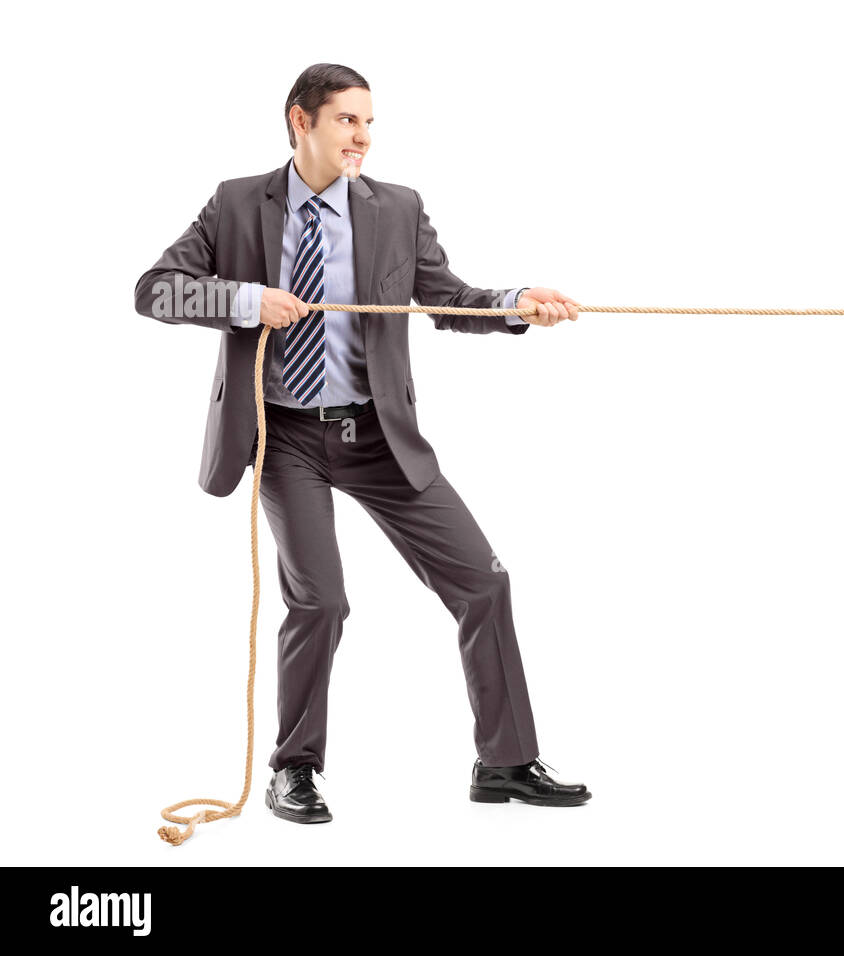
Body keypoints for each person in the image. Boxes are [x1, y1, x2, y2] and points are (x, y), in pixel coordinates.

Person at [133, 63, 591, 823]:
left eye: (369, 122)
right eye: (347, 120)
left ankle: (505, 762)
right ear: (300, 121)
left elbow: (447, 300)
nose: (363, 137)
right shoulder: (239, 201)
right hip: (286, 440)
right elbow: (155, 289)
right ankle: (295, 770)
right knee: (322, 602)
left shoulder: (398, 208)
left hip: (377, 436)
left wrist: (516, 304)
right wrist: (245, 300)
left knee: (484, 582)